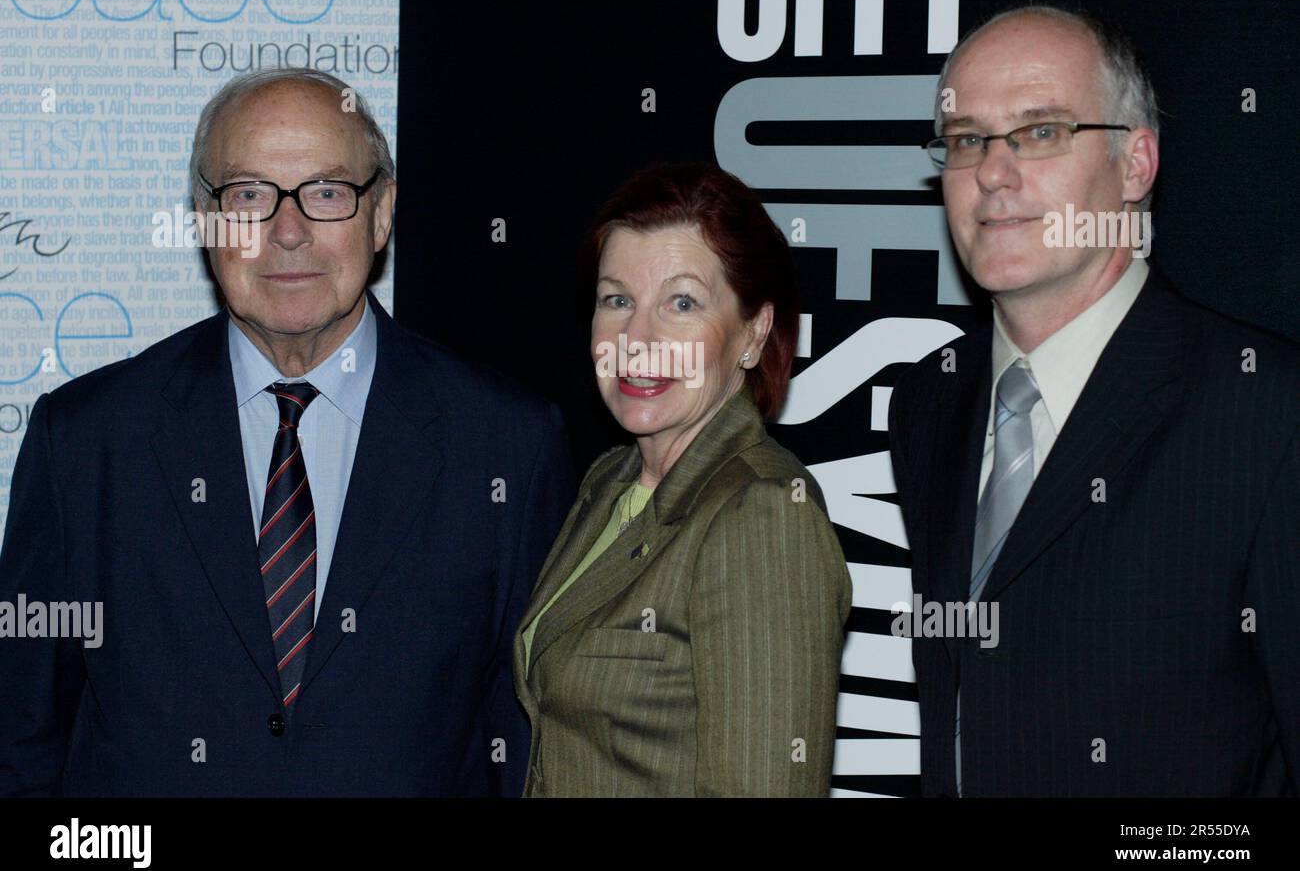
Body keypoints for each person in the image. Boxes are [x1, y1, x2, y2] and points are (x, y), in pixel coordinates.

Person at [0, 67, 573, 796]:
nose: (289, 231)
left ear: (383, 212)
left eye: (328, 192)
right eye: (249, 196)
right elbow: (19, 742)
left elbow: (531, 743)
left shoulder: (506, 448)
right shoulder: (84, 442)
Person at [891, 5, 1299, 796]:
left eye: (1041, 132)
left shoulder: (1267, 412)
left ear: (1136, 163)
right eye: (967, 138)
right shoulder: (927, 401)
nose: (993, 173)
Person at [513, 162, 852, 796]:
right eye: (617, 300)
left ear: (753, 332)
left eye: (682, 303)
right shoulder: (609, 481)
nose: (638, 339)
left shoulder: (762, 515)